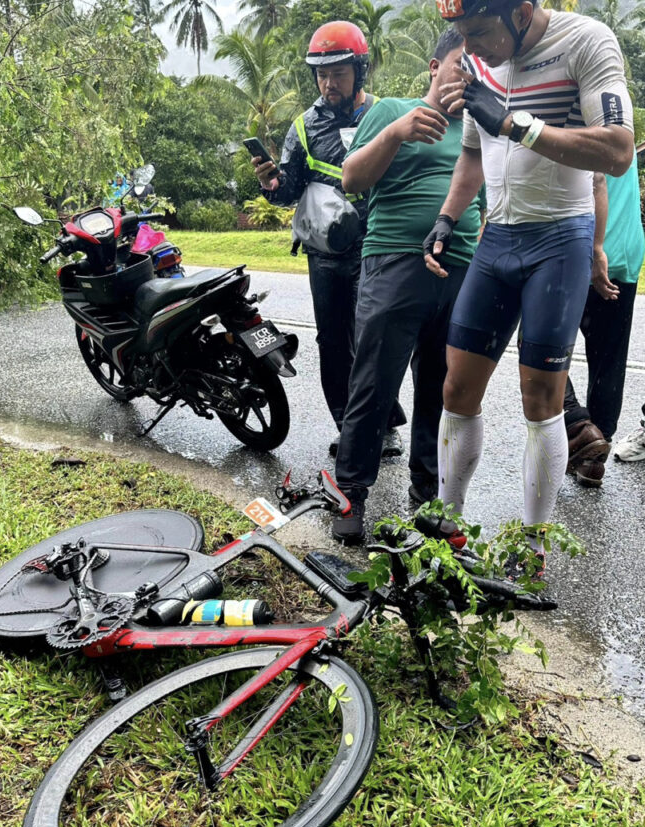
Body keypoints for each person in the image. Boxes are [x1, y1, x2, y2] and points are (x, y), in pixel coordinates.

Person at [424, 0, 634, 548]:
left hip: (559, 239)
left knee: (541, 399)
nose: (468, 49)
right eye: (460, 36)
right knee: (456, 387)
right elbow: (473, 154)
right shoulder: (477, 63)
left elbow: (617, 151)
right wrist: (446, 218)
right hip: (498, 238)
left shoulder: (585, 40)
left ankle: (532, 548)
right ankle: (448, 535)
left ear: (520, 12)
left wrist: (517, 123)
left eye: (479, 33)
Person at [329, 29, 482, 543]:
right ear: (435, 66)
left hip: (460, 269)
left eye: (480, 66)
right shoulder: (392, 109)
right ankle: (350, 493)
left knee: (441, 389)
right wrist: (396, 131)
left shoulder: (478, 127)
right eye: (463, 63)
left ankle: (425, 497)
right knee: (373, 385)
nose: (470, 74)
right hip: (394, 263)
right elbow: (351, 179)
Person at [252, 20, 407, 458]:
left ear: (359, 70)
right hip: (325, 254)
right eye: (321, 73)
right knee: (334, 342)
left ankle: (382, 420)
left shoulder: (382, 115)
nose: (328, 82)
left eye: (338, 71)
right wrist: (271, 183)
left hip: (376, 247)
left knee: (375, 338)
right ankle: (352, 427)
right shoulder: (303, 128)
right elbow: (289, 192)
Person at [562, 145, 644, 483]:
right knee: (608, 360)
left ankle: (576, 423)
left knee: (537, 346)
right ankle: (595, 455)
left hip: (581, 250)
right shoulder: (621, 134)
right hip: (623, 254)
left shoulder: (574, 126)